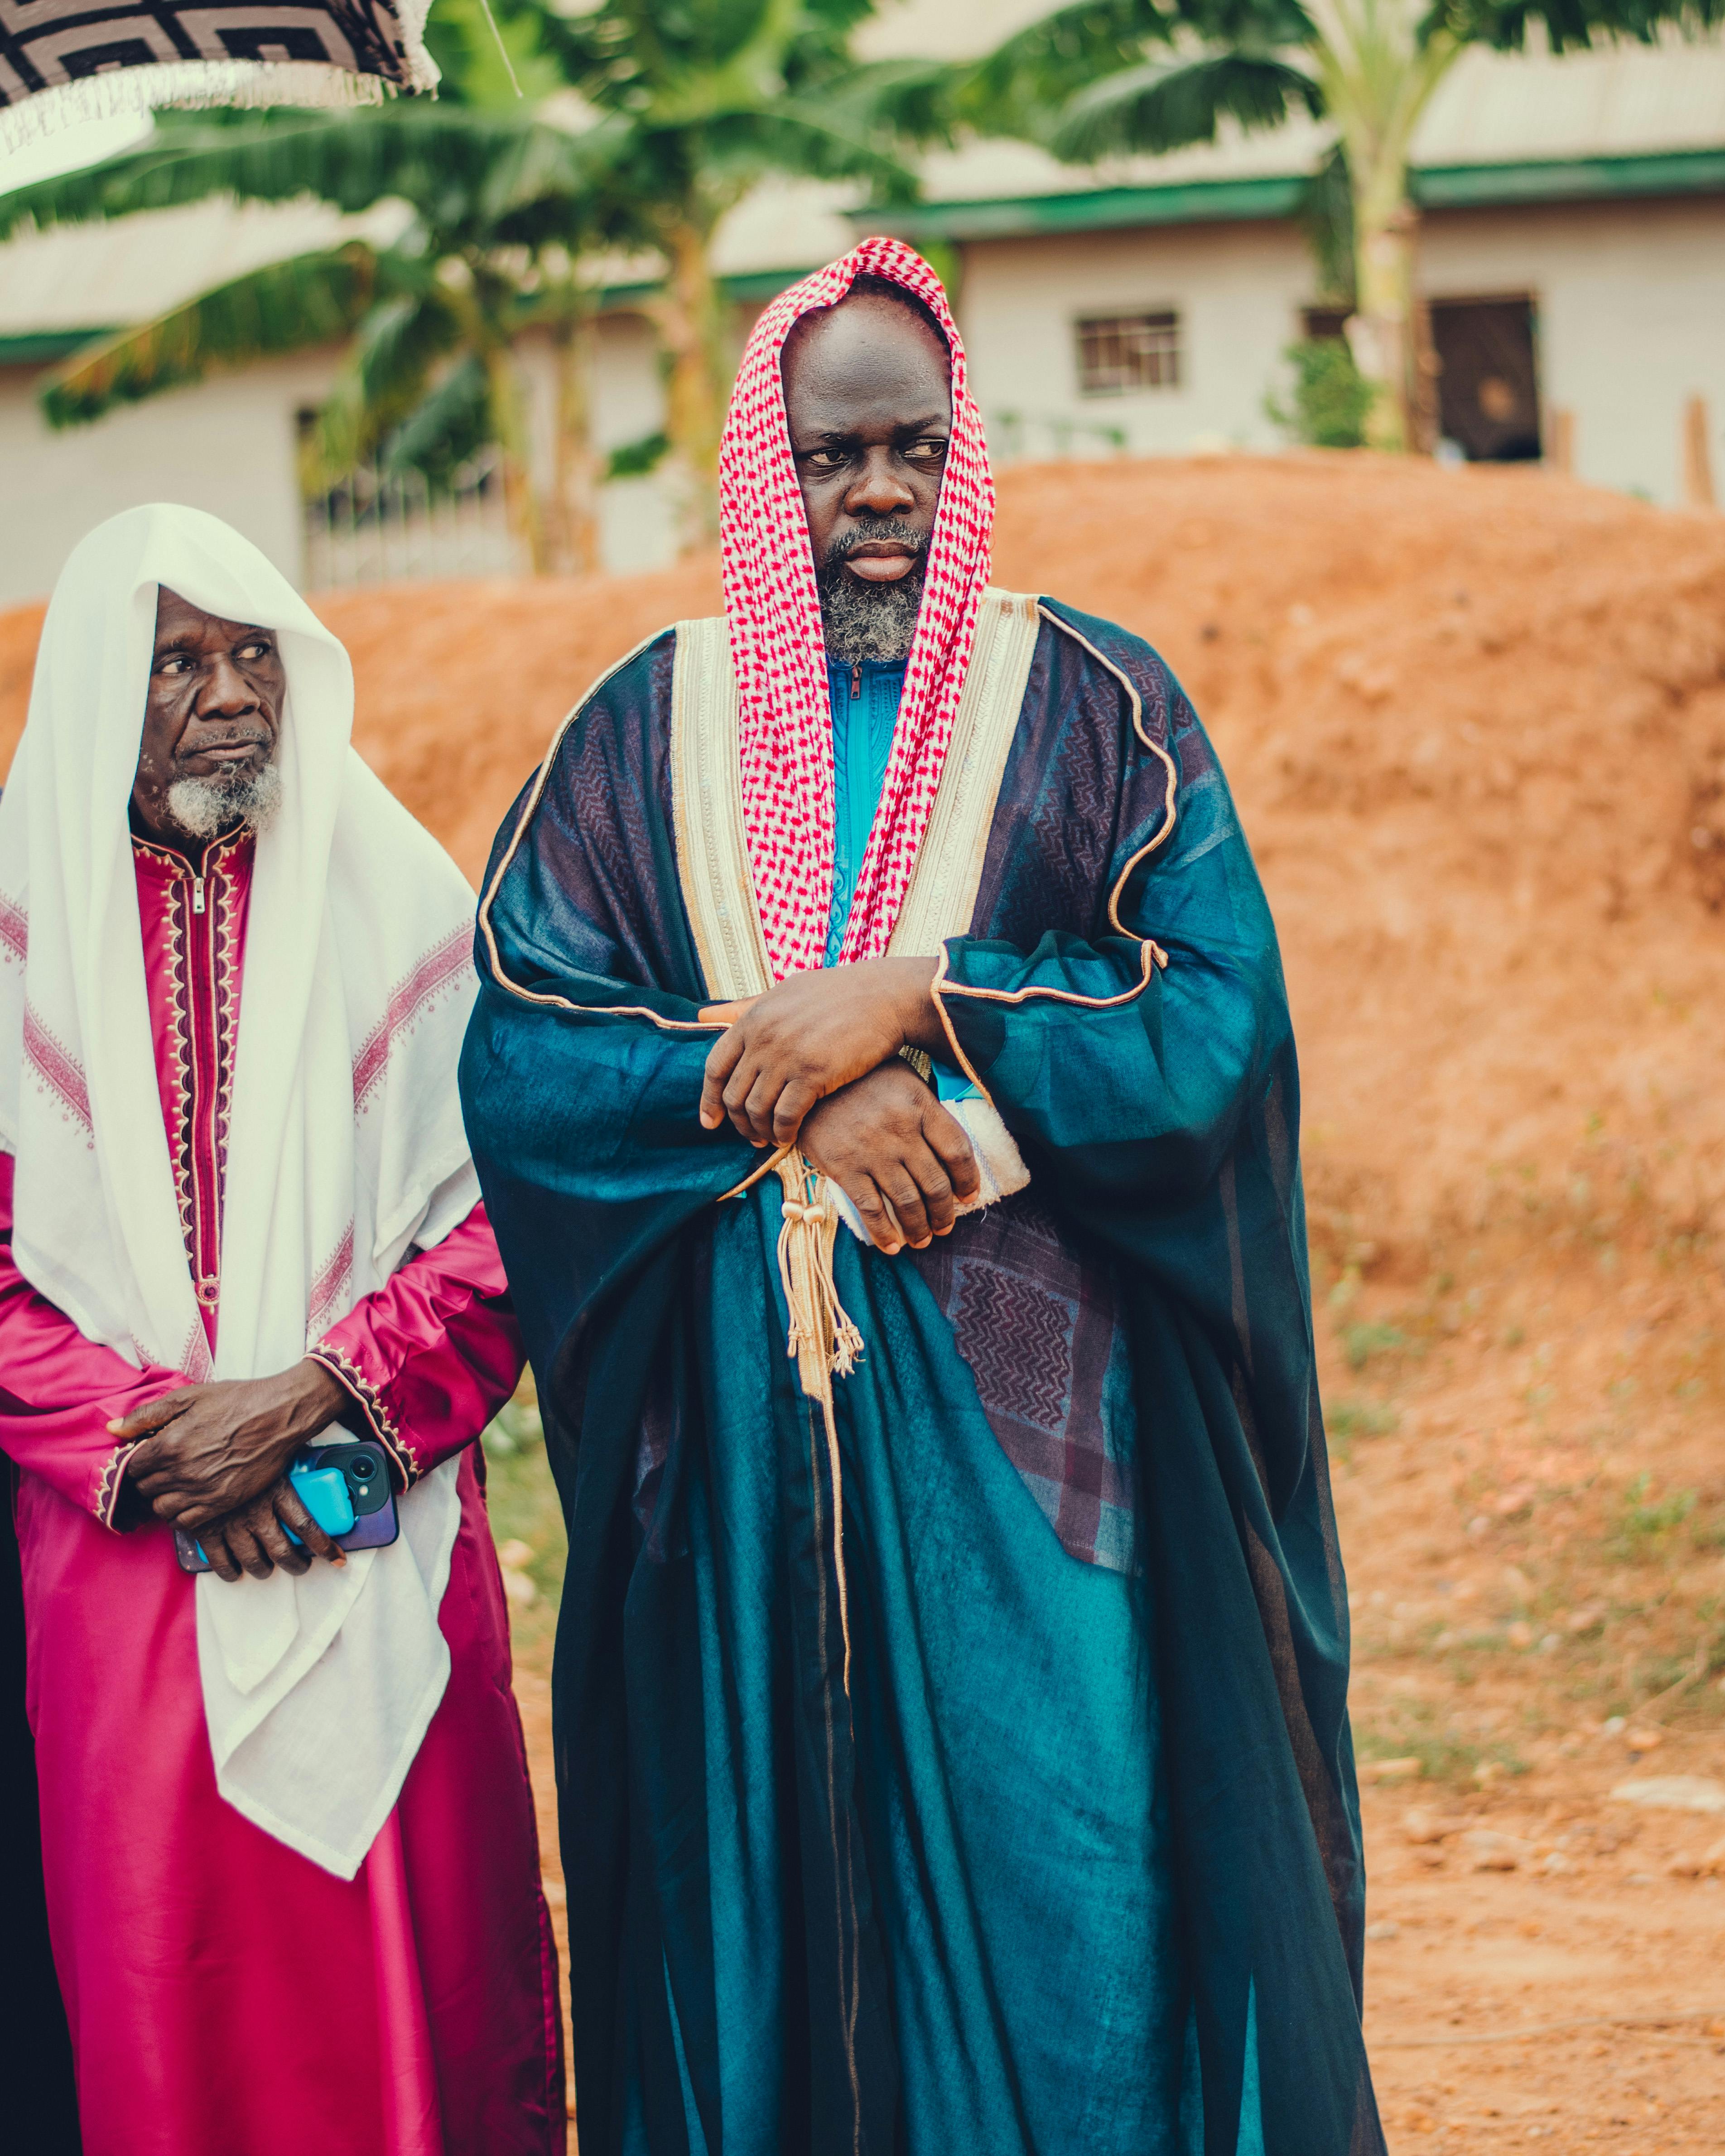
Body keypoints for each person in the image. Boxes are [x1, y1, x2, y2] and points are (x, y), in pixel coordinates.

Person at [462, 240, 1383, 2154]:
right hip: (736, 1458)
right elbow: (534, 1039)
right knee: (765, 1899)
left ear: (960, 461)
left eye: (912, 451)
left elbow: (1213, 1019)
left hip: (1039, 1442)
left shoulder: (1094, 704)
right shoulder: (642, 732)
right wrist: (800, 1100)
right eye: (829, 457)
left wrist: (932, 1004)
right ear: (759, 469)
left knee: (1079, 1862)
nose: (872, 497)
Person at [0, 506, 564, 2156]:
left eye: (256, 657)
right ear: (107, 686)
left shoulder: (399, 900)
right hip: (124, 1572)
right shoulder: (18, 939)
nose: (232, 695)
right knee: (172, 1993)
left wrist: (321, 1396)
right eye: (181, 662)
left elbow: (511, 1214)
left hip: (368, 1525)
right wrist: (164, 1449)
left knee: (422, 1983)